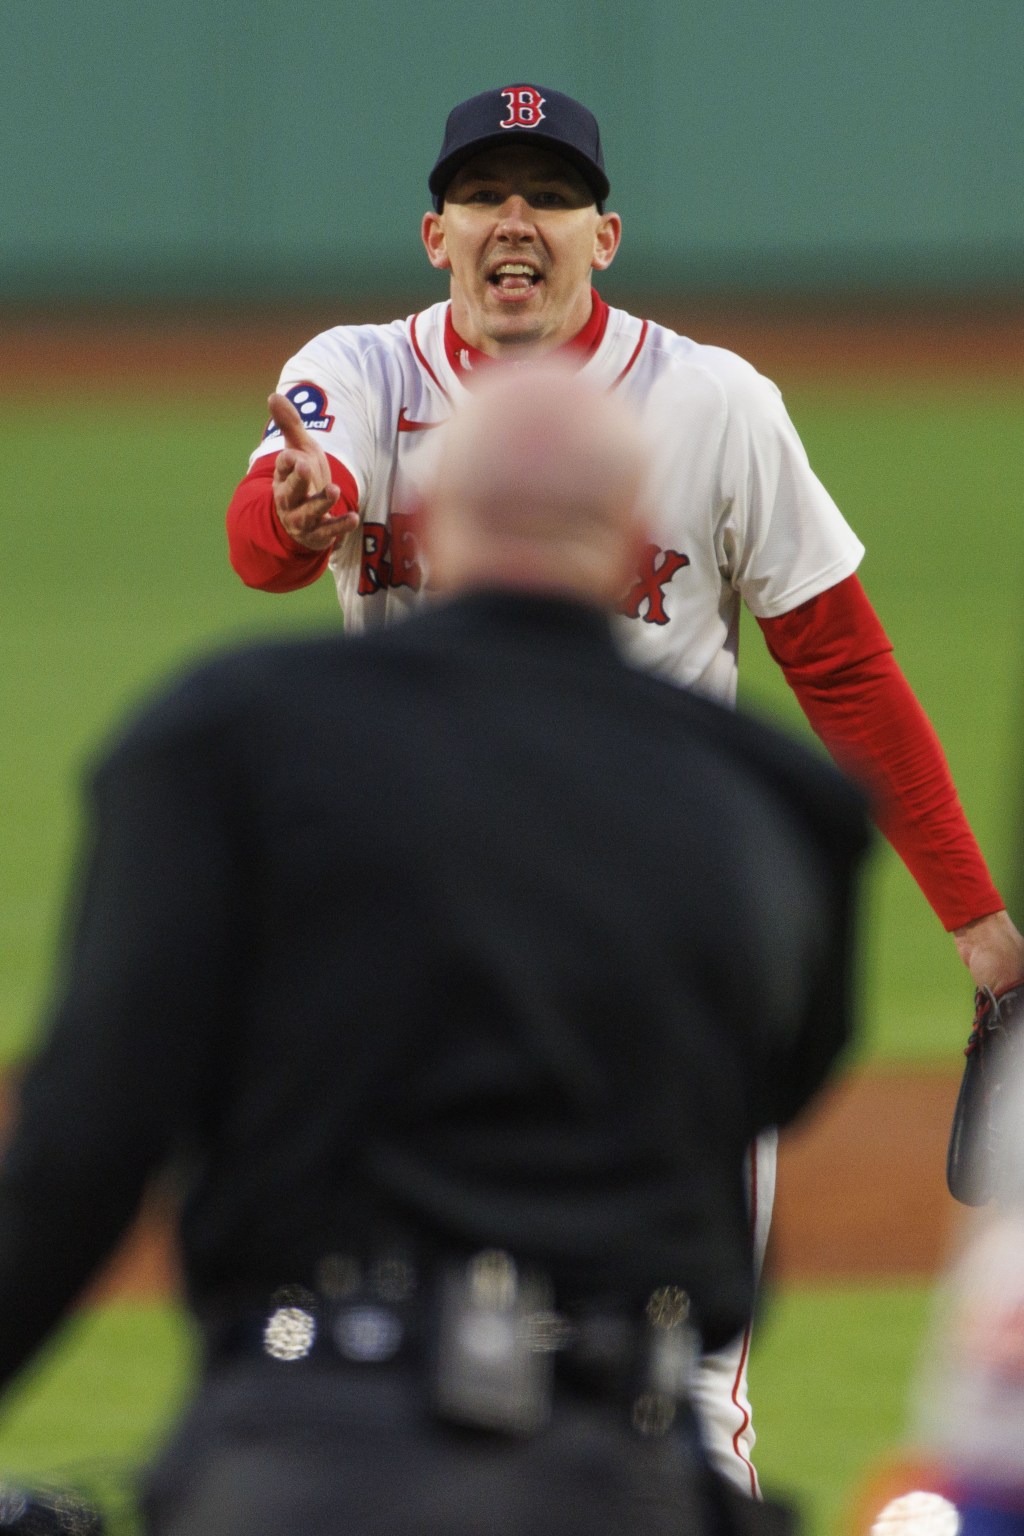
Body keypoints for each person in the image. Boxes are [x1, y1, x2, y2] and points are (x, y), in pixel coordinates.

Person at [224, 82, 1024, 1493]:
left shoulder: (714, 402)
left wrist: (975, 912)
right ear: (434, 234)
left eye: (545, 196)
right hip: (419, 957)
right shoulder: (358, 372)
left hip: (661, 947)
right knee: (404, 1374)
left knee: (683, 1389)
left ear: (606, 235)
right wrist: (300, 509)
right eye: (484, 196)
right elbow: (276, 530)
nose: (512, 221)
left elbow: (839, 661)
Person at [0, 366, 868, 1535]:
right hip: (626, 1477)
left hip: (303, 1469)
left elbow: (85, 1146)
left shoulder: (225, 737)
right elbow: (780, 1079)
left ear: (433, 526)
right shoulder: (780, 799)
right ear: (625, 541)